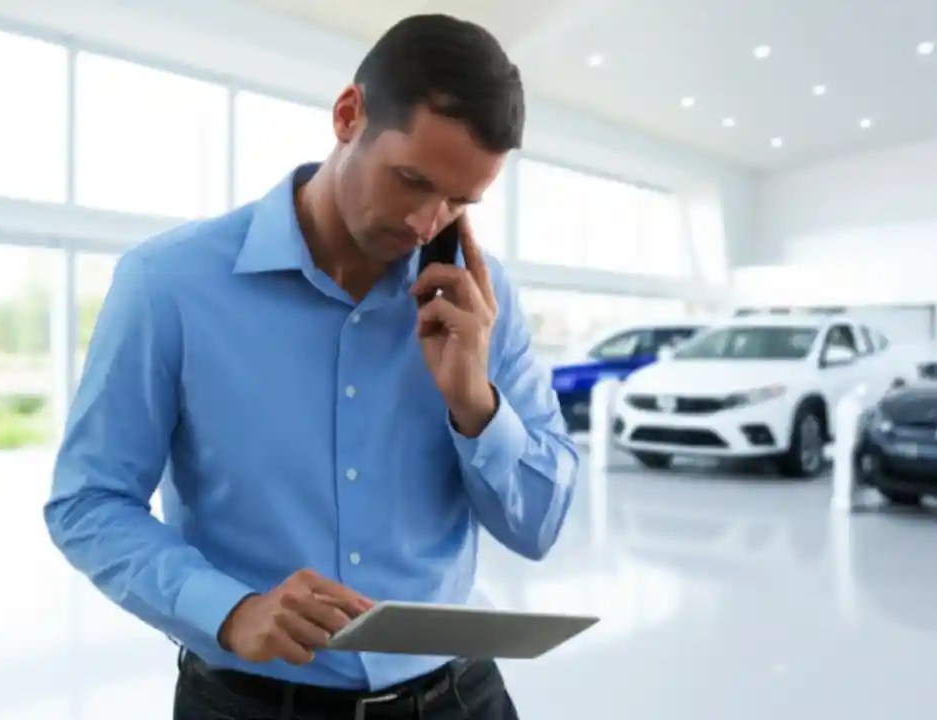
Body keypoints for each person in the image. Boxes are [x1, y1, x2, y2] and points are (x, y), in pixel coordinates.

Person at [44, 13, 579, 720]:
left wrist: (474, 402)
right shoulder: (168, 285)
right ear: (348, 115)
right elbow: (87, 503)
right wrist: (230, 609)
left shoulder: (483, 296)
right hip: (248, 705)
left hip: (458, 699)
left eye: (459, 201)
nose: (427, 222)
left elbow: (538, 527)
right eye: (412, 179)